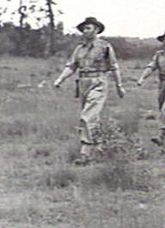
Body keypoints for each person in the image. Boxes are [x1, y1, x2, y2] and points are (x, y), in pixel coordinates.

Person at [53, 16, 125, 165]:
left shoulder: (105, 47)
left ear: (96, 30)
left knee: (87, 116)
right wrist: (60, 79)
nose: (85, 31)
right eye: (83, 29)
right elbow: (71, 66)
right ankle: (100, 148)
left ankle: (85, 153)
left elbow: (114, 67)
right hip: (83, 83)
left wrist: (119, 86)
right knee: (93, 118)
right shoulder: (79, 48)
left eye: (88, 28)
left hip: (99, 82)